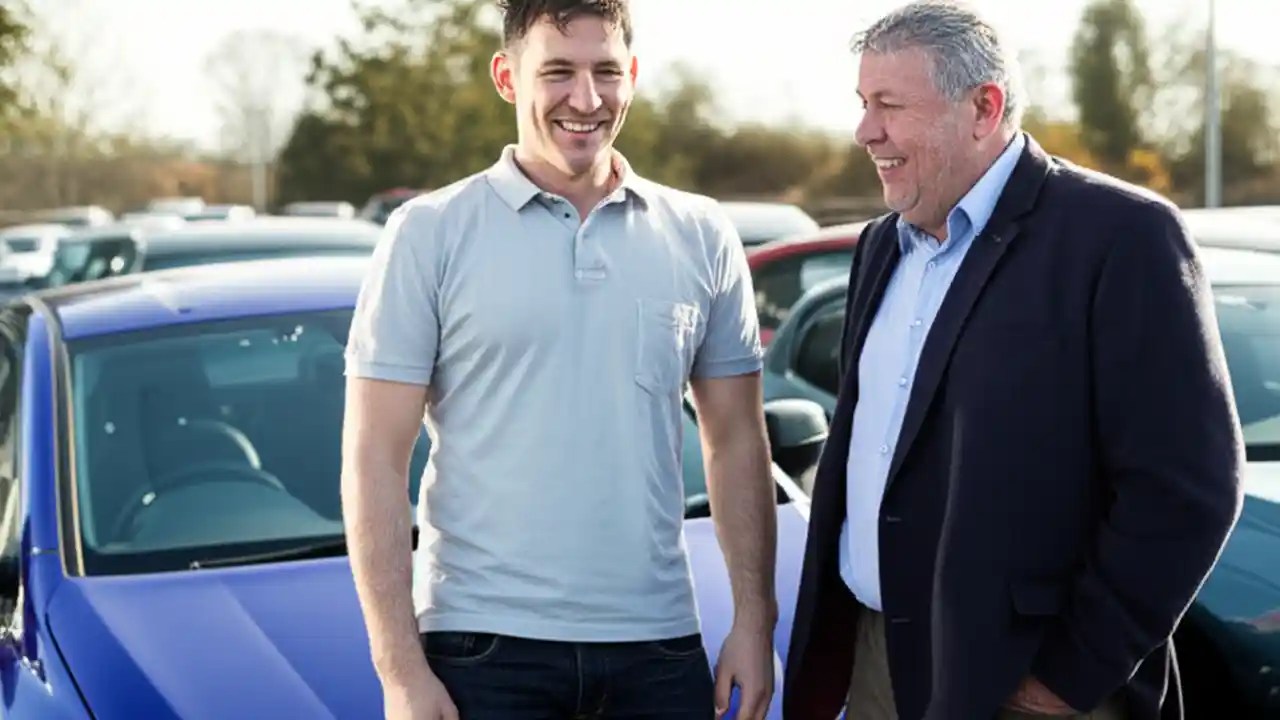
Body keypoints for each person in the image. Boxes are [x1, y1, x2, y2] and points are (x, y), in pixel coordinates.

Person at [783, 2, 1244, 720]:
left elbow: (1187, 490)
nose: (864, 130)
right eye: (863, 103)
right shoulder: (881, 245)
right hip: (881, 660)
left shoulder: (1121, 237)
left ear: (983, 107)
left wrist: (1066, 677)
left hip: (1024, 682)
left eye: (889, 105)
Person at [340, 1, 779, 718]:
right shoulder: (427, 233)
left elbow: (735, 440)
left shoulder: (701, 233)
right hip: (483, 650)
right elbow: (374, 460)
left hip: (659, 645)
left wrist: (754, 623)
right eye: (557, 72)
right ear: (506, 78)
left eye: (606, 71)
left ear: (632, 75)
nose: (586, 98)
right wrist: (398, 668)